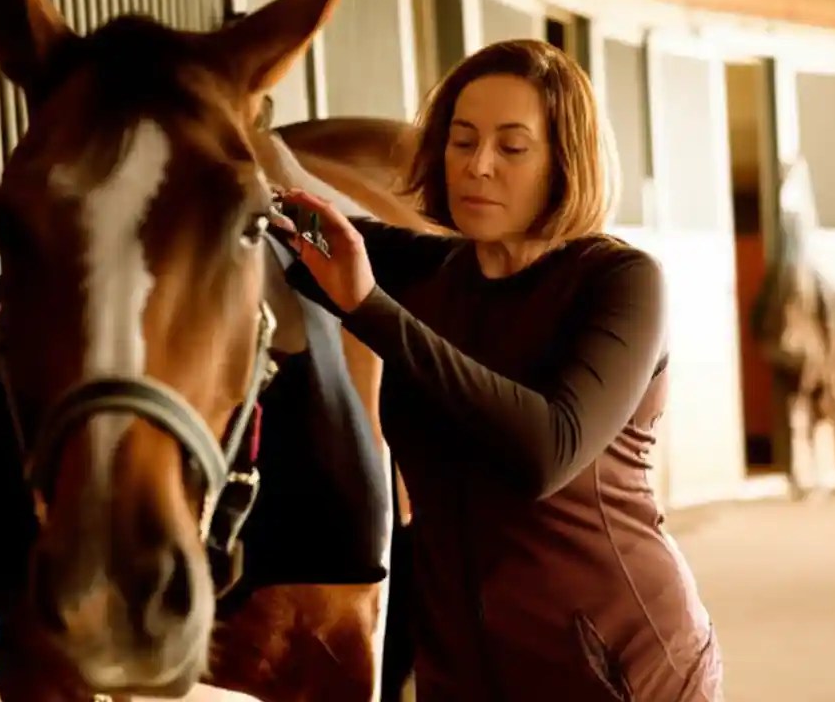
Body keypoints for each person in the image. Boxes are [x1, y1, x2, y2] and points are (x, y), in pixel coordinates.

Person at [273, 39, 722, 702]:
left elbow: (546, 450)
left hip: (615, 666)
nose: (479, 166)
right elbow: (291, 225)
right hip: (462, 671)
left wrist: (369, 308)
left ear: (563, 161)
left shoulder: (622, 283)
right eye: (462, 141)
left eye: (512, 148)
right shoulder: (430, 271)